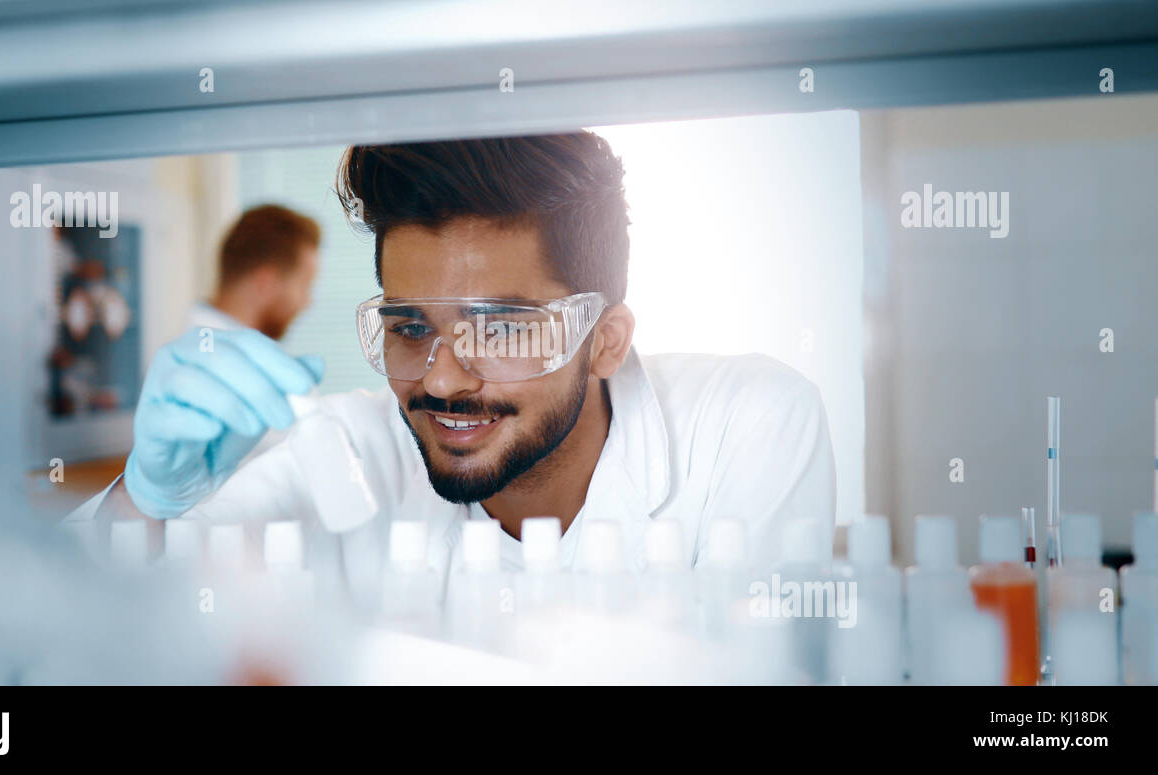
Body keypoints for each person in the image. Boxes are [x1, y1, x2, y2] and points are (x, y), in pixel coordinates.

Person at [69, 132, 835, 607]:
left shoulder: (749, 423)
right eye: (409, 326)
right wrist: (144, 498)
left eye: (499, 325)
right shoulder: (353, 450)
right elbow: (69, 614)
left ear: (605, 340)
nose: (440, 380)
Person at [189, 204, 320, 340]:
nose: (306, 302)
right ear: (266, 283)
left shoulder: (198, 338)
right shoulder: (206, 352)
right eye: (305, 285)